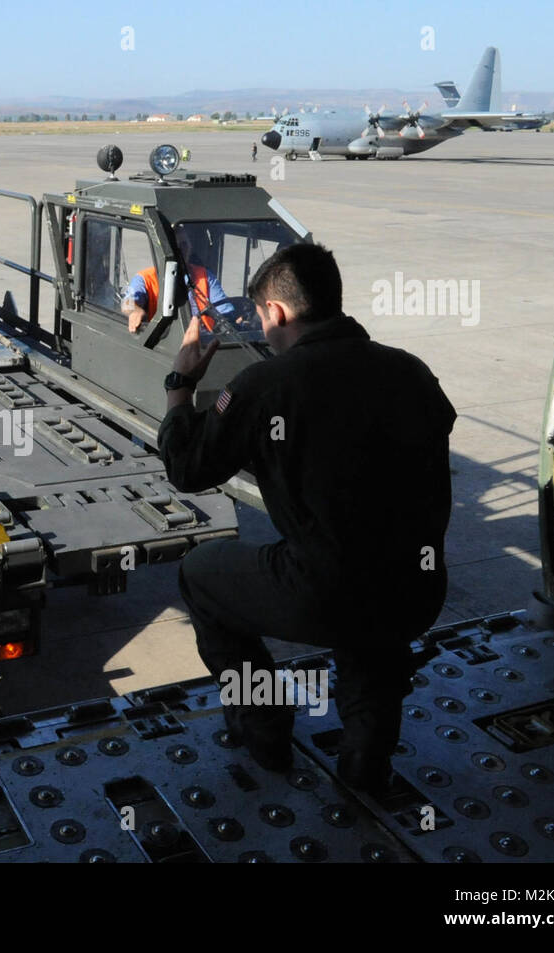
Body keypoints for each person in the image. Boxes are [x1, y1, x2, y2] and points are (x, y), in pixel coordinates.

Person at [157, 243, 456, 792]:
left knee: (200, 575)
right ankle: (368, 753)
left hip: (325, 592)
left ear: (276, 313)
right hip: (418, 590)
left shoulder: (264, 385)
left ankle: (264, 728)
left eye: (261, 318)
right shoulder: (411, 371)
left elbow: (187, 469)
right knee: (373, 602)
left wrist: (181, 388)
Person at [123, 236, 234, 334]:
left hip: (203, 339)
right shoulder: (144, 278)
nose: (180, 251)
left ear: (190, 248)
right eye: (174, 246)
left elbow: (224, 311)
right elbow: (127, 303)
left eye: (184, 245)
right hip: (163, 339)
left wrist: (234, 321)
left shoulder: (205, 275)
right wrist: (134, 311)